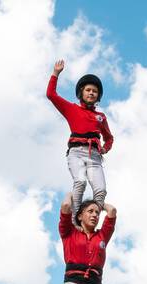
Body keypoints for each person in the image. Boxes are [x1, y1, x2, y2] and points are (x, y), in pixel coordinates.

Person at [46, 59, 113, 223]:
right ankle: (77, 221)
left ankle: (91, 219)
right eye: (88, 90)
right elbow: (51, 95)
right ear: (81, 93)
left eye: (95, 91)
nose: (91, 93)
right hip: (77, 153)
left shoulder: (100, 117)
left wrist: (105, 148)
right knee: (80, 182)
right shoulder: (72, 109)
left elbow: (109, 138)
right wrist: (56, 74)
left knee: (101, 191)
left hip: (95, 157)